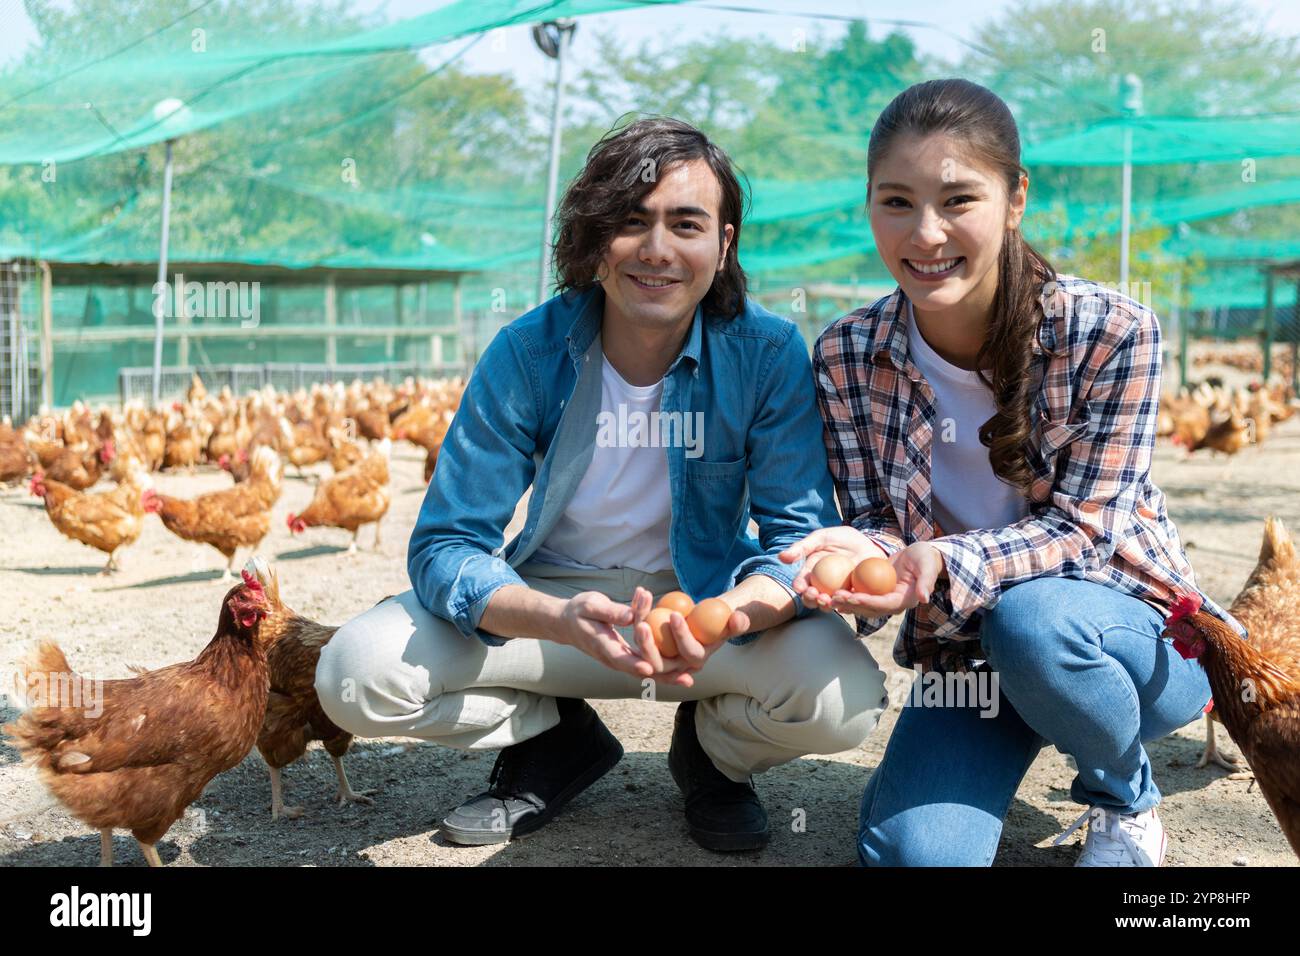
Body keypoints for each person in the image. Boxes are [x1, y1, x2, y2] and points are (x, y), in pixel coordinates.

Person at [315, 117, 887, 853]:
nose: (656, 249)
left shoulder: (766, 353)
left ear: (725, 244)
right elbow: (446, 545)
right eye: (629, 221)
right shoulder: (530, 350)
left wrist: (729, 617)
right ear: (593, 240)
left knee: (844, 700)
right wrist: (552, 617)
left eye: (686, 223)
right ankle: (555, 740)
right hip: (555, 605)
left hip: (703, 604)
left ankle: (713, 756)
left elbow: (797, 545)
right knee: (356, 676)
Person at [778, 78, 1246, 867]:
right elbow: (873, 524)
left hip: (1130, 641)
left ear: (1015, 197)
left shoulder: (1111, 332)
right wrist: (868, 564)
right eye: (897, 202)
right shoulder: (844, 355)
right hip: (970, 658)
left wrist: (941, 561)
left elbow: (1086, 535)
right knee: (915, 857)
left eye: (958, 199)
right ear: (869, 206)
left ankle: (1121, 792)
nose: (925, 234)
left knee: (1032, 620)